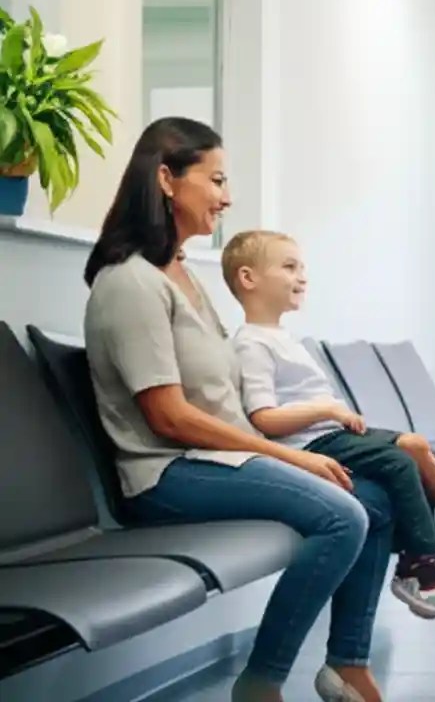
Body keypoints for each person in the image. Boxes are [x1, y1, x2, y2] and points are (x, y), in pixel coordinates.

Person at [83, 117, 392, 702]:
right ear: (168, 180)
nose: (227, 197)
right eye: (217, 180)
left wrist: (299, 444)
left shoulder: (183, 280)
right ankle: (261, 682)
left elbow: (225, 402)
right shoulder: (129, 283)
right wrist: (285, 456)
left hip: (215, 460)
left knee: (373, 499)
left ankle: (348, 664)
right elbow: (168, 418)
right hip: (166, 473)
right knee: (343, 516)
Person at [218, 229, 435, 620]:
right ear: (248, 278)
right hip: (311, 446)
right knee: (401, 463)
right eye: (289, 267)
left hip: (329, 434)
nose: (302, 276)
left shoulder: (282, 337)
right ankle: (423, 569)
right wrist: (327, 410)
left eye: (303, 268)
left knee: (416, 446)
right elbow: (264, 418)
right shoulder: (251, 343)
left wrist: (329, 413)